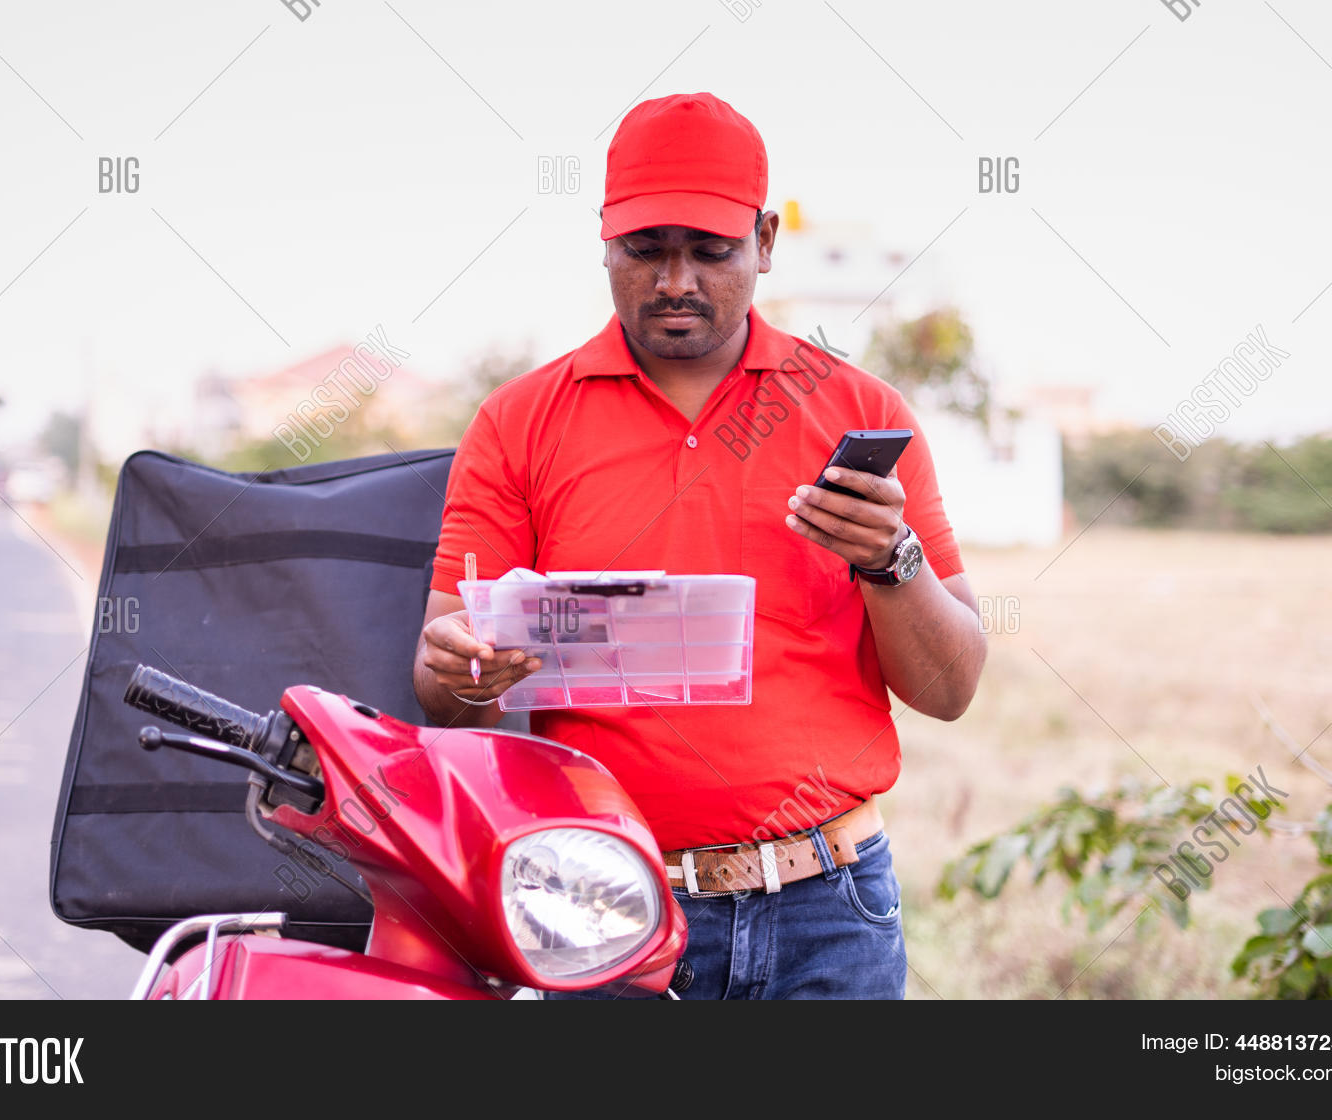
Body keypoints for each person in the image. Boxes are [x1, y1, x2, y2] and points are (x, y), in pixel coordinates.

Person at [412, 92, 986, 999]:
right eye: (646, 251)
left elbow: (950, 689)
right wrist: (463, 670)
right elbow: (443, 689)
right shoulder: (519, 423)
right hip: (602, 908)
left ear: (763, 242)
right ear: (605, 243)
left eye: (709, 251)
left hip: (829, 915)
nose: (675, 280)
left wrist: (892, 559)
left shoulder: (862, 412)